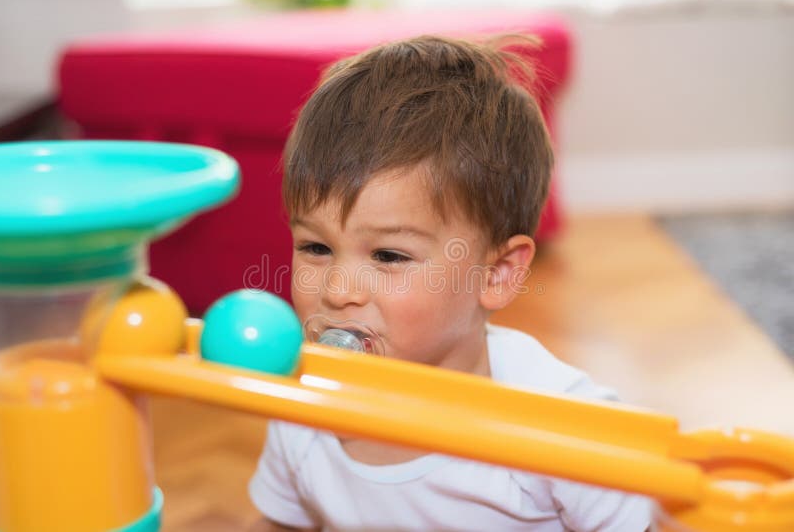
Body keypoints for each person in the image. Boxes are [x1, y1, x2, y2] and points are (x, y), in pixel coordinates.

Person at [249, 34, 652, 531]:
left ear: (497, 274)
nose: (337, 290)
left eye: (389, 255)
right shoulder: (299, 402)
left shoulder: (562, 426)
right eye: (316, 248)